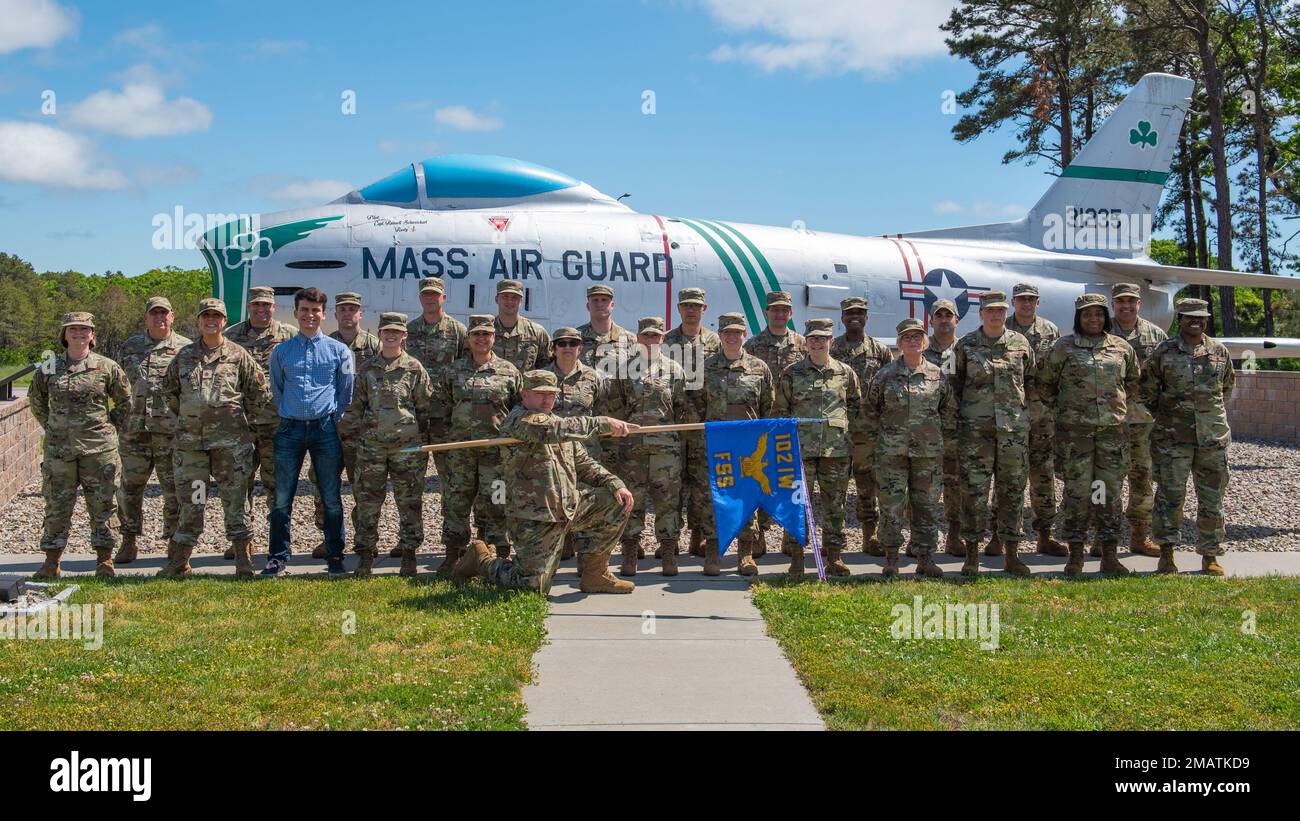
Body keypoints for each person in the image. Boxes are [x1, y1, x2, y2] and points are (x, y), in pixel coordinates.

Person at [453, 370, 637, 595]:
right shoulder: (518, 421)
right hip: (535, 517)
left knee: (616, 503)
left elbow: (584, 463)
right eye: (540, 394)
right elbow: (547, 430)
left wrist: (615, 483)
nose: (546, 399)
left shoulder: (559, 424)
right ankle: (482, 560)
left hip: (569, 507)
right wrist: (603, 423)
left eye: (551, 394)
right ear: (524, 394)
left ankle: (595, 574)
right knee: (532, 587)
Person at [161, 298, 270, 577]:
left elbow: (259, 392)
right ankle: (180, 561)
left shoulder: (238, 355)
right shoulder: (184, 356)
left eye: (217, 316)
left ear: (224, 321)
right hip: (193, 448)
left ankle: (243, 562)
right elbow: (170, 393)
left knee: (235, 500)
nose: (211, 320)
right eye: (206, 316)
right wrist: (191, 416)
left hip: (230, 446)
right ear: (198, 321)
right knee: (193, 500)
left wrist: (239, 420)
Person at [1037, 294, 1140, 576]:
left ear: (1105, 317)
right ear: (1078, 318)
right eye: (1087, 314)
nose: (1093, 319)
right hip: (1075, 436)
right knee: (1077, 494)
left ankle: (1108, 554)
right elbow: (1045, 384)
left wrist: (1112, 409)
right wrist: (1065, 410)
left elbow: (1132, 382)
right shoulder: (1064, 347)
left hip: (1111, 435)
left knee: (1107, 494)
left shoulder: (1121, 348)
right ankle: (1075, 556)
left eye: (1098, 314)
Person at [29, 312, 131, 578]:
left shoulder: (107, 367)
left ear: (92, 335)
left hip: (99, 450)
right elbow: (36, 399)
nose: (78, 334)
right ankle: (52, 561)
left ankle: (104, 560)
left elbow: (126, 402)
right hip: (60, 452)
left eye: (84, 329)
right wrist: (52, 426)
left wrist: (108, 427)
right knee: (56, 505)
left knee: (103, 506)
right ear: (64, 335)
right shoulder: (50, 366)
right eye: (72, 329)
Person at [262, 288, 355, 577]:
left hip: (325, 428)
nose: (309, 315)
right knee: (281, 497)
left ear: (324, 314)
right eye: (304, 310)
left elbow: (346, 390)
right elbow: (277, 389)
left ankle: (335, 554)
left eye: (315, 311)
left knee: (330, 495)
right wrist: (291, 411)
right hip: (289, 429)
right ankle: (278, 557)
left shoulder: (339, 351)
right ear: (296, 312)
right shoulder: (281, 351)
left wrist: (333, 416)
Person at [1141, 297, 1235, 576]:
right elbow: (1148, 391)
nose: (1195, 321)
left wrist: (1207, 416)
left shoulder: (1219, 351)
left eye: (1200, 317)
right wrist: (1168, 417)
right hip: (1173, 439)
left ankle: (1210, 555)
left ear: (1206, 319)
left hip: (1212, 438)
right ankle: (1166, 555)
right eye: (1189, 317)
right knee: (1170, 497)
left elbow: (1226, 388)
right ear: (1180, 318)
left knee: (1212, 500)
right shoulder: (1164, 351)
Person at [339, 312, 433, 577]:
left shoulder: (414, 368)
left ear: (405, 335)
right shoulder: (368, 369)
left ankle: (409, 555)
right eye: (386, 331)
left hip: (407, 449)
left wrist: (420, 441)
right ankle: (366, 556)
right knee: (368, 503)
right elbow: (356, 407)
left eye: (396, 332)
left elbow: (425, 408)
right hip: (373, 448)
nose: (391, 336)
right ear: (379, 334)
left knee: (410, 502)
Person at [950, 291, 1036, 577]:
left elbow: (1031, 382)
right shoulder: (965, 346)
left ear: (1005, 311)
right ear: (981, 313)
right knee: (974, 494)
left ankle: (1011, 554)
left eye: (1000, 310)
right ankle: (971, 556)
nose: (995, 315)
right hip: (976, 434)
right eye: (990, 311)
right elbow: (953, 385)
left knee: (1012, 492)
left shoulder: (1020, 343)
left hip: (1012, 432)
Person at [864, 318, 955, 579]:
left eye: (917, 337)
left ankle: (925, 557)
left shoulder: (937, 375)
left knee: (925, 505)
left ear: (925, 342)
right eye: (907, 338)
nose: (912, 341)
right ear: (899, 343)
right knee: (891, 506)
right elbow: (871, 410)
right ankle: (891, 558)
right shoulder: (885, 375)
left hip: (927, 454)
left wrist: (938, 441)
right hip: (892, 453)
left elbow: (948, 411)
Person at [429, 315, 522, 571]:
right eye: (476, 334)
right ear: (469, 339)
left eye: (486, 334)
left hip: (496, 452)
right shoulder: (453, 371)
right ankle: (454, 552)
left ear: (494, 338)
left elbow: (517, 411)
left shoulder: (509, 371)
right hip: (461, 451)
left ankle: (500, 552)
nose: (481, 339)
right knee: (457, 500)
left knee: (497, 499)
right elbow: (441, 408)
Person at [774, 318, 862, 579]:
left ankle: (834, 556)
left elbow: (856, 407)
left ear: (831, 341)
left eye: (823, 338)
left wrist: (842, 432)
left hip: (835, 451)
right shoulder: (792, 373)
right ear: (806, 341)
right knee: (798, 503)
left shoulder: (845, 373)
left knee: (835, 504)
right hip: (800, 450)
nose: (817, 342)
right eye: (812, 338)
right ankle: (798, 558)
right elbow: (780, 410)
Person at [692, 312, 775, 576]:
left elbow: (768, 408)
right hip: (717, 444)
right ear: (720, 336)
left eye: (737, 332)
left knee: (746, 496)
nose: (732, 337)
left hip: (748, 446)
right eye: (727, 332)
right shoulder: (705, 368)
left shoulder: (759, 368)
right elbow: (695, 405)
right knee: (714, 498)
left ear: (744, 336)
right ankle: (714, 551)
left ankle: (746, 553)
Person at [611, 317, 693, 576]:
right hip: (632, 448)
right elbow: (617, 407)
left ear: (662, 339)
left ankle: (668, 550)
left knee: (667, 500)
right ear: (638, 338)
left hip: (665, 449)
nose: (650, 341)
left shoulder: (674, 371)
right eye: (645, 336)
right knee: (630, 501)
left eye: (655, 336)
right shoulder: (625, 371)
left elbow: (681, 408)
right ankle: (630, 551)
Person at [114, 296, 191, 564]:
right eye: (154, 313)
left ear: (172, 317)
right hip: (135, 430)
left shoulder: (185, 348)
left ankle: (173, 541)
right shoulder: (130, 347)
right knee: (130, 489)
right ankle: (128, 539)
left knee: (173, 489)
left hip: (170, 431)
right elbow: (119, 386)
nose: (159, 317)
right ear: (146, 317)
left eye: (164, 313)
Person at [225, 286, 297, 557]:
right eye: (256, 305)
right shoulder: (231, 336)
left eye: (266, 305)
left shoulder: (289, 335)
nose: (261, 309)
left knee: (276, 486)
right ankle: (241, 541)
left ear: (274, 307)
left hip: (276, 424)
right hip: (239, 424)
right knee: (238, 485)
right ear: (249, 307)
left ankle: (276, 541)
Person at [309, 290, 381, 559]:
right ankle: (330, 539)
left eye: (353, 309)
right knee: (323, 485)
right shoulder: (323, 345)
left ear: (360, 314)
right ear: (335, 314)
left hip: (362, 431)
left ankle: (365, 541)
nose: (348, 313)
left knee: (364, 487)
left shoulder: (374, 347)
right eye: (343, 309)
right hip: (329, 430)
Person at [404, 277, 468, 560]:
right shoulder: (409, 331)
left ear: (444, 298)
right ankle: (409, 541)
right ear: (421, 299)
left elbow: (466, 370)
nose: (430, 299)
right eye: (426, 295)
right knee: (410, 484)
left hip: (445, 419)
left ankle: (452, 543)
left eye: (435, 295)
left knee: (451, 484)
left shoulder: (458, 332)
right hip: (415, 419)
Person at [744, 290, 807, 555]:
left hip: (794, 427)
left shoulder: (804, 345)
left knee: (791, 483)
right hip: (765, 426)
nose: (779, 314)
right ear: (766, 313)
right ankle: (759, 537)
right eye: (774, 309)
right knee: (763, 479)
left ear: (790, 314)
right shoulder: (754, 345)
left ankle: (790, 537)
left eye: (784, 310)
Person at [546, 325, 617, 561]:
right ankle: (561, 544)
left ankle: (587, 556)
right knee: (556, 497)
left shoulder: (594, 378)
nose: (568, 348)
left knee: (586, 497)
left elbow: (603, 412)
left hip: (586, 451)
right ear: (554, 348)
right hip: (553, 451)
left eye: (573, 344)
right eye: (562, 343)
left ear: (580, 348)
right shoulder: (543, 378)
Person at [1007, 282, 1067, 557]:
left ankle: (1045, 535)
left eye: (1031, 300)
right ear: (1013, 303)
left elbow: (1056, 370)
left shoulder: (1050, 330)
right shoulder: (1002, 328)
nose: (1026, 304)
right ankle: (1003, 537)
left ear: (1038, 303)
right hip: (1010, 414)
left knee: (1043, 477)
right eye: (1021, 300)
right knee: (1009, 477)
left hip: (1042, 415)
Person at [831, 296, 893, 557]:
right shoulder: (831, 348)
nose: (854, 317)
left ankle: (871, 536)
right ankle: (834, 541)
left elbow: (892, 386)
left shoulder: (880, 351)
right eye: (849, 313)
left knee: (868, 485)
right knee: (835, 487)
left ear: (867, 317)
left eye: (860, 313)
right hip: (838, 430)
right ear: (842, 318)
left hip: (868, 432)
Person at [1111, 282, 1169, 558]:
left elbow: (1166, 376)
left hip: (1143, 422)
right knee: (1105, 481)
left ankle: (1139, 536)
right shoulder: (1101, 331)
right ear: (1114, 305)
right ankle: (1103, 538)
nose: (1126, 307)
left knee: (1142, 480)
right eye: (1121, 302)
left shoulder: (1155, 335)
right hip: (1109, 421)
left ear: (1139, 304)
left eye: (1131, 302)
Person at [662, 287, 720, 559]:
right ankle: (669, 541)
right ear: (679, 309)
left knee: (701, 484)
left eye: (696, 306)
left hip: (702, 426)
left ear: (704, 309)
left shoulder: (716, 342)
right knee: (672, 485)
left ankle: (698, 536)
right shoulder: (666, 341)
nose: (691, 310)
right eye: (686, 306)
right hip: (672, 425)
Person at [923, 299, 964, 556]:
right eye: (939, 316)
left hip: (959, 431)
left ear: (956, 320)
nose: (944, 320)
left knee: (956, 486)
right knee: (924, 487)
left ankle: (955, 537)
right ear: (932, 320)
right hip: (928, 430)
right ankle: (922, 539)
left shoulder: (969, 349)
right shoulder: (921, 349)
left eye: (949, 315)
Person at [492, 279, 553, 371]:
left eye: (514, 298)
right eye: (505, 297)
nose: (510, 301)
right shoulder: (486, 331)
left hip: (526, 385)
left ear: (521, 301)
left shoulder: (537, 332)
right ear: (497, 299)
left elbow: (549, 366)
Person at [575, 284, 637, 372]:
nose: (599, 304)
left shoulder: (629, 339)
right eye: (595, 300)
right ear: (588, 306)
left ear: (612, 305)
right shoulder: (576, 338)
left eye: (604, 300)